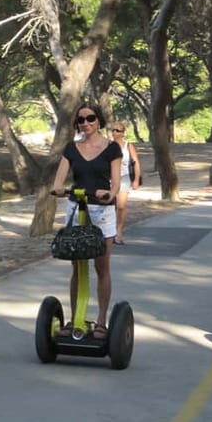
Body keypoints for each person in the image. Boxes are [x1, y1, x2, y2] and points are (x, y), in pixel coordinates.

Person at [52, 103, 121, 339]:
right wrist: (58, 188)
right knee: (77, 266)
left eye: (90, 118)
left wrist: (110, 194)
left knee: (101, 266)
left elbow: (115, 182)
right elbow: (59, 179)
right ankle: (75, 319)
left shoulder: (112, 148)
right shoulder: (71, 148)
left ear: (98, 120)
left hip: (101, 210)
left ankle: (101, 321)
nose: (85, 123)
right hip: (76, 207)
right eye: (81, 120)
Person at [109, 120, 140, 244]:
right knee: (111, 206)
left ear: (123, 133)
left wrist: (136, 179)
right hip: (110, 179)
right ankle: (110, 232)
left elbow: (135, 162)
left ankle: (119, 231)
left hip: (124, 178)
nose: (114, 133)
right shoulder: (108, 145)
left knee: (121, 206)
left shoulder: (128, 146)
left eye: (117, 130)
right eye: (113, 130)